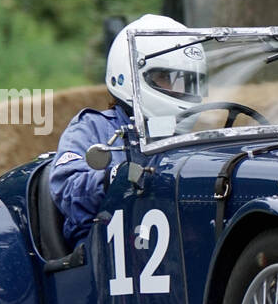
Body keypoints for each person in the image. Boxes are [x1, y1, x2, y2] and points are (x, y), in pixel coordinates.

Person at [49, 14, 206, 247]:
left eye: (186, 81)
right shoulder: (93, 127)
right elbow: (68, 190)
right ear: (129, 75)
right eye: (165, 78)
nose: (177, 88)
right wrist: (115, 177)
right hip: (103, 252)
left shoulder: (191, 142)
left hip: (178, 249)